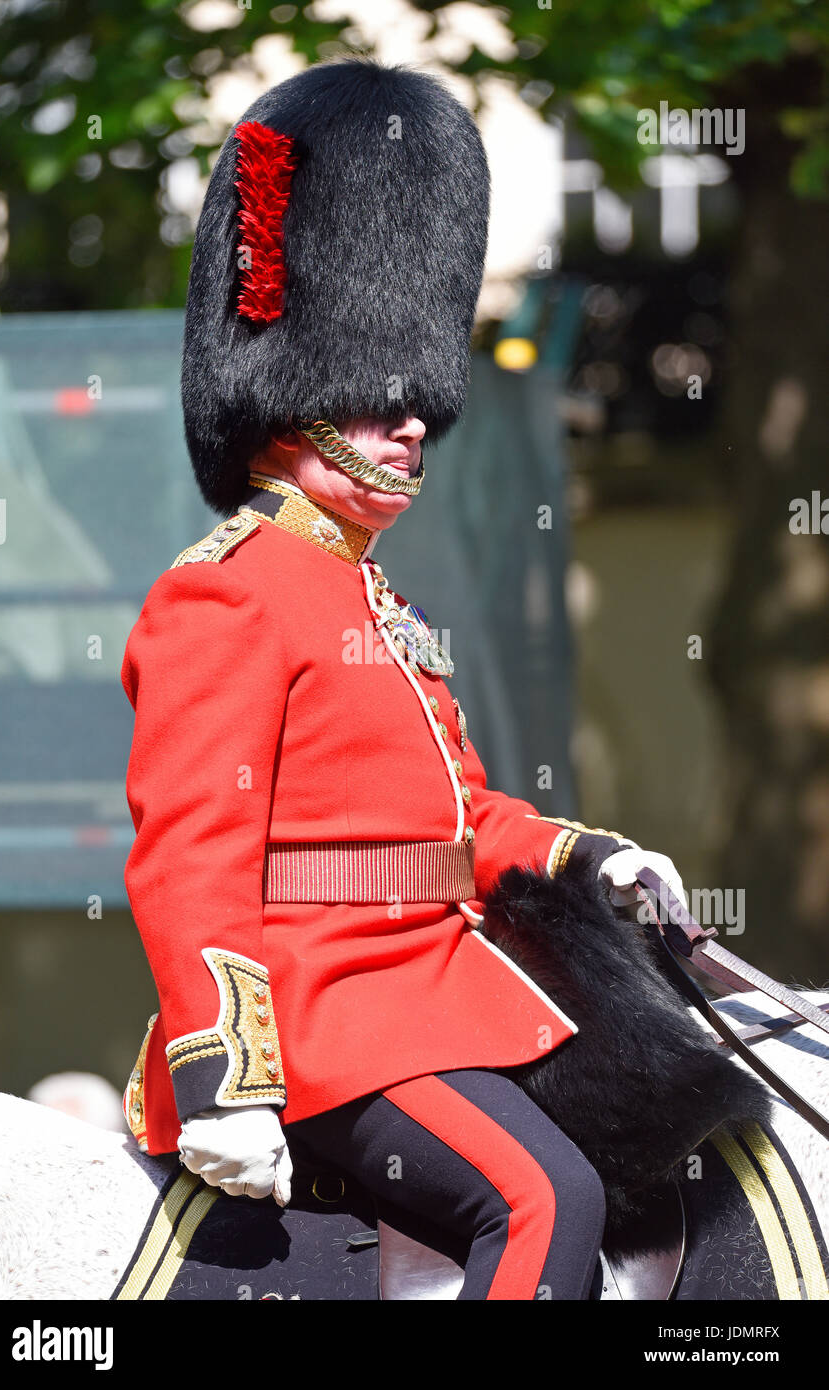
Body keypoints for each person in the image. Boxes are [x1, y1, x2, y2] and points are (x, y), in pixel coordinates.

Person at [120, 58, 685, 1300]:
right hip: (327, 1023)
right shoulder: (227, 589)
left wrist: (589, 858)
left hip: (444, 994)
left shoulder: (377, 598)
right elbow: (189, 855)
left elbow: (462, 819)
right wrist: (225, 1076)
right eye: (381, 397)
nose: (413, 422)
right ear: (293, 397)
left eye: (418, 396)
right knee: (546, 1198)